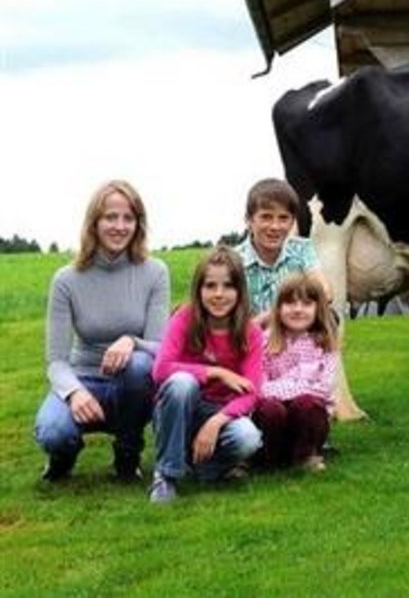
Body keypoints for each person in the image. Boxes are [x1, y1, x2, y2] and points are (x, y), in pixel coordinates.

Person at [34, 180, 170, 482]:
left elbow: (161, 350)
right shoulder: (66, 280)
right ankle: (63, 454)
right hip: (84, 380)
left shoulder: (155, 272)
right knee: (52, 432)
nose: (119, 226)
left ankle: (128, 451)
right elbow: (56, 361)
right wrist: (74, 393)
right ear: (94, 222)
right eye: (110, 217)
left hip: (132, 385)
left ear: (138, 224)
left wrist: (130, 341)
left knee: (139, 363)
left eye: (128, 218)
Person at [149, 247, 264, 503]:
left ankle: (201, 469)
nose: (219, 294)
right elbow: (161, 370)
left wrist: (217, 421)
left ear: (240, 291)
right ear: (199, 290)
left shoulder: (250, 332)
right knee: (182, 383)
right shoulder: (184, 318)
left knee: (249, 438)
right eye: (210, 286)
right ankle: (166, 475)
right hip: (180, 410)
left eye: (228, 286)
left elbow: (252, 392)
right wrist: (216, 372)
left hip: (220, 413)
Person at [254, 273, 338, 471]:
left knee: (307, 404)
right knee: (270, 408)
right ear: (279, 308)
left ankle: (306, 455)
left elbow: (324, 389)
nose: (298, 309)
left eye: (307, 303)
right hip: (275, 421)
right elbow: (260, 387)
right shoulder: (265, 342)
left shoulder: (324, 346)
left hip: (308, 422)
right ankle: (271, 458)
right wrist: (299, 386)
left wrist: (285, 388)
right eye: (290, 303)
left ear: (318, 309)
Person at [235, 178, 330, 329]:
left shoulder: (302, 249)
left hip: (295, 335)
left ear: (293, 222)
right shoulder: (234, 261)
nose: (275, 226)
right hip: (252, 341)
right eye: (266, 217)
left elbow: (325, 292)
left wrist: (274, 315)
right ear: (249, 219)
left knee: (331, 318)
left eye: (283, 218)